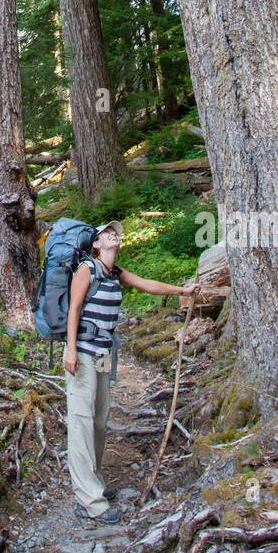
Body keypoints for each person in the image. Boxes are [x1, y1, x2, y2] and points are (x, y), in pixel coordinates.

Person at [64, 219, 198, 524]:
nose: (114, 235)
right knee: (82, 422)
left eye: (116, 233)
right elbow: (73, 309)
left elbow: (148, 285)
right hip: (82, 353)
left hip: (102, 355)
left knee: (99, 419)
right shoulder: (88, 269)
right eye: (107, 233)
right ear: (96, 244)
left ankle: (93, 479)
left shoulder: (115, 273)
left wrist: (183, 290)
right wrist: (71, 350)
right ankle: (89, 501)